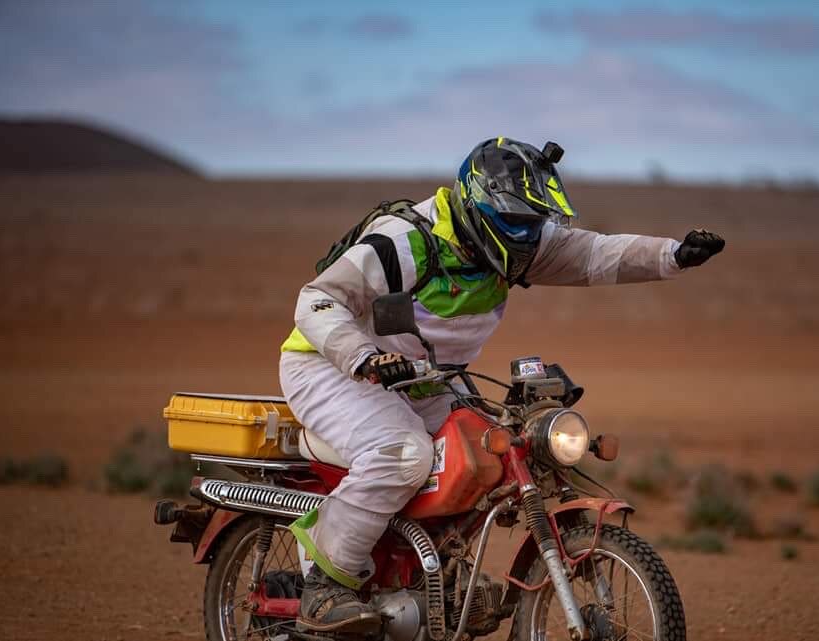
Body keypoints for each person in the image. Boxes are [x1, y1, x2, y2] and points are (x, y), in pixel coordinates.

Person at [279, 137, 725, 633]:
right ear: (479, 203)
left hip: (425, 380)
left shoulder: (517, 247)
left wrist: (673, 256)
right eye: (515, 221)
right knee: (403, 454)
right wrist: (362, 356)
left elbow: (596, 254)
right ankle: (324, 584)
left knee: (496, 452)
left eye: (534, 223)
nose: (526, 234)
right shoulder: (407, 240)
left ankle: (421, 574)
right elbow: (316, 300)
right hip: (329, 367)